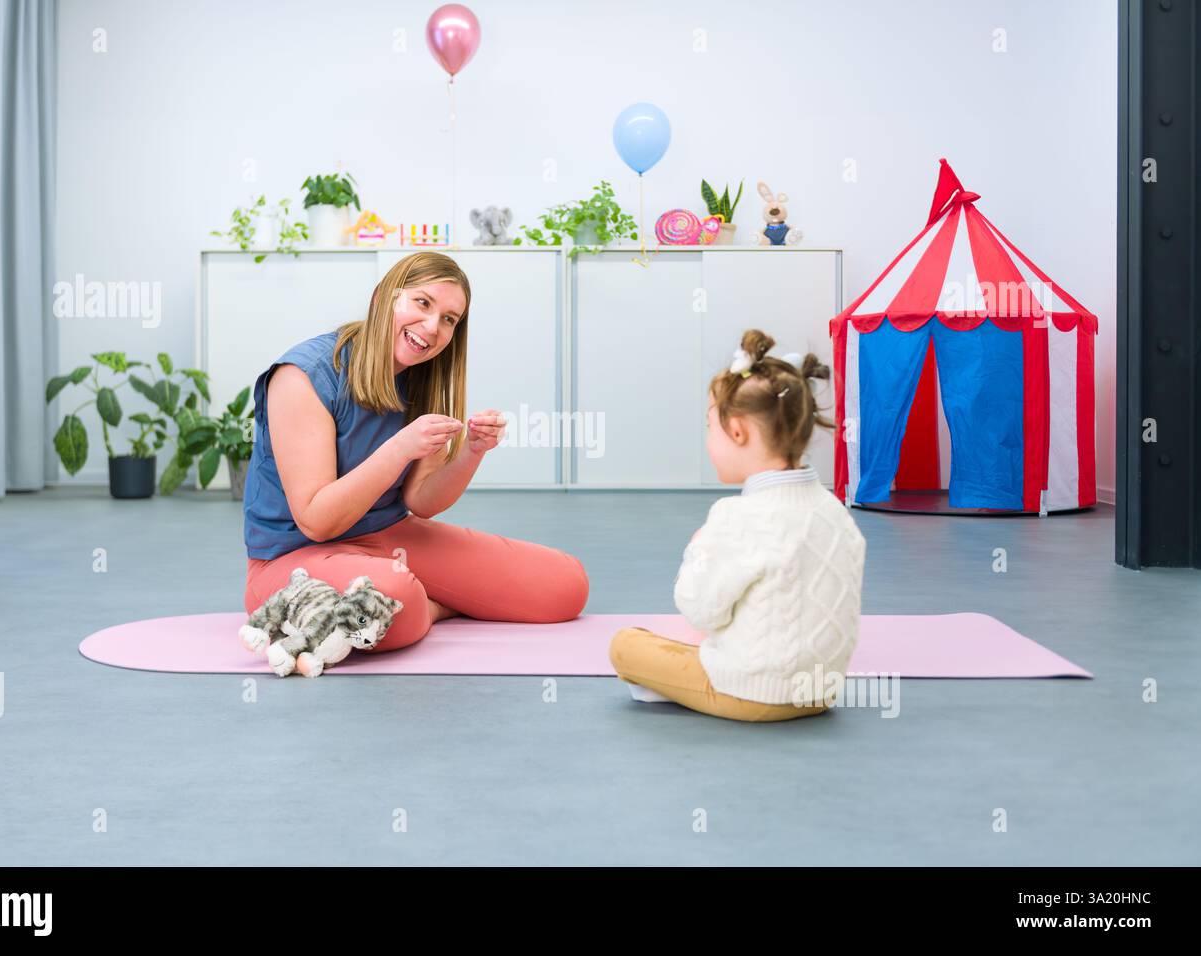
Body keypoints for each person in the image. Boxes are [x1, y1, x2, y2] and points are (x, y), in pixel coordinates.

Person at [242, 251, 589, 652]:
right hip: (292, 560)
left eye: (448, 319)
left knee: (563, 585)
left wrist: (472, 452)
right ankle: (430, 604)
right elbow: (317, 522)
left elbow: (421, 501)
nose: (432, 327)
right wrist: (400, 448)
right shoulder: (302, 377)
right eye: (422, 303)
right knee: (392, 600)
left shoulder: (424, 380)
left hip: (387, 537)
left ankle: (423, 603)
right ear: (382, 298)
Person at [609, 329, 866, 721]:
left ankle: (683, 688)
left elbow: (699, 611)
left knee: (625, 645)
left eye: (709, 428)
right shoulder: (835, 511)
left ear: (738, 431)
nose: (709, 439)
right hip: (820, 693)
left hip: (753, 694)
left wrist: (698, 549)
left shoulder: (736, 517)